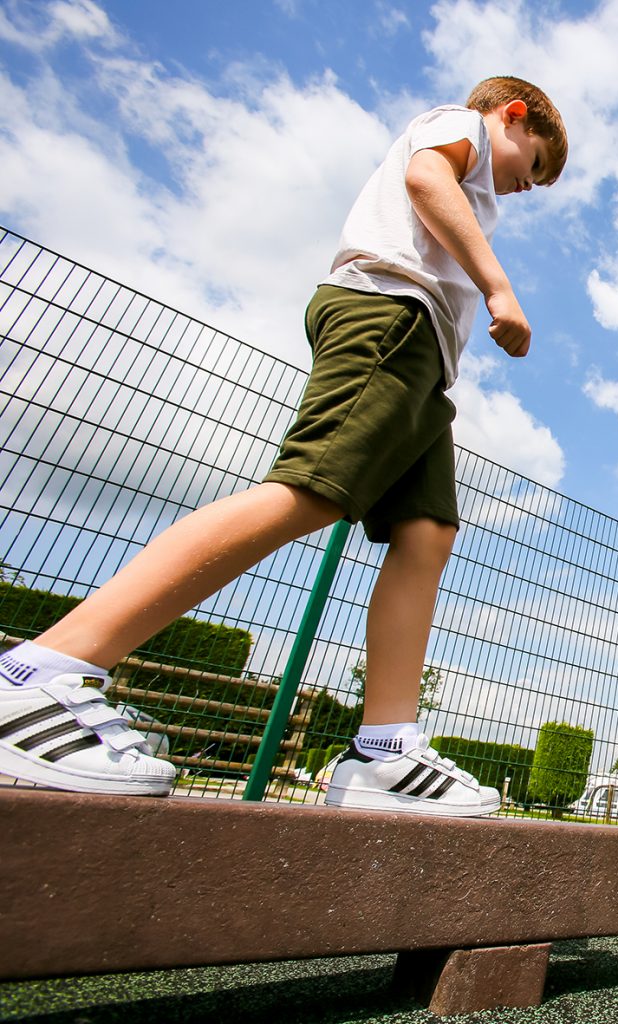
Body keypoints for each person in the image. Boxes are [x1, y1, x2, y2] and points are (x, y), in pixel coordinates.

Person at [0, 76, 568, 817]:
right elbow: (424, 177)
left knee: (427, 531)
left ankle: (385, 750)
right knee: (308, 490)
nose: (528, 186)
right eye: (534, 165)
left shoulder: (476, 160)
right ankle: (39, 674)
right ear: (513, 115)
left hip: (422, 352)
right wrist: (499, 288)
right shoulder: (454, 124)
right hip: (387, 316)